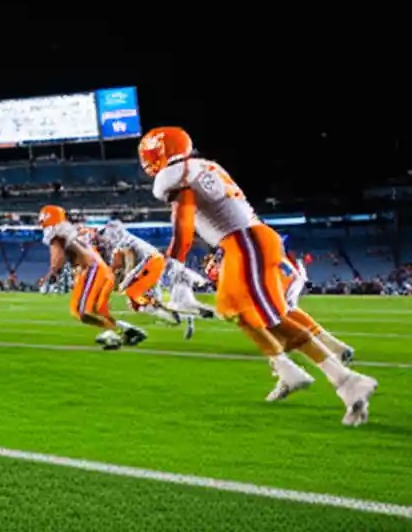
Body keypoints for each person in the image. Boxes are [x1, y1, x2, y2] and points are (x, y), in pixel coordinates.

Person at [139, 126, 374, 424]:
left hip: (246, 242)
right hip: (243, 242)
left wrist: (172, 263)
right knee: (232, 309)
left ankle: (347, 381)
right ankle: (289, 370)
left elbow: (183, 224)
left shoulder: (178, 174)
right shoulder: (200, 166)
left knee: (274, 318)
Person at [39, 205, 146, 350]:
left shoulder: (55, 231)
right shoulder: (70, 229)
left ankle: (111, 334)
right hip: (96, 269)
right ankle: (126, 329)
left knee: (85, 312)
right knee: (80, 311)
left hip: (92, 269)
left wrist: (50, 276)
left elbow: (57, 259)